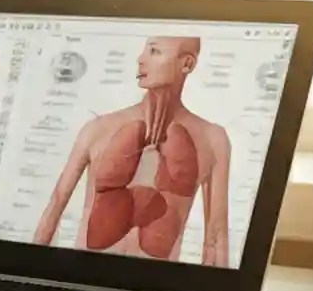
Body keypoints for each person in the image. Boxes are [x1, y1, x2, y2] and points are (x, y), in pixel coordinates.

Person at [32, 37, 231, 267]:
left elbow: (216, 233)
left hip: (151, 290)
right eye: (144, 50)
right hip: (85, 279)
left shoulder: (211, 139)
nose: (140, 60)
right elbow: (56, 204)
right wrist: (27, 283)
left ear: (187, 64)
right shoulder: (99, 129)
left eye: (154, 51)